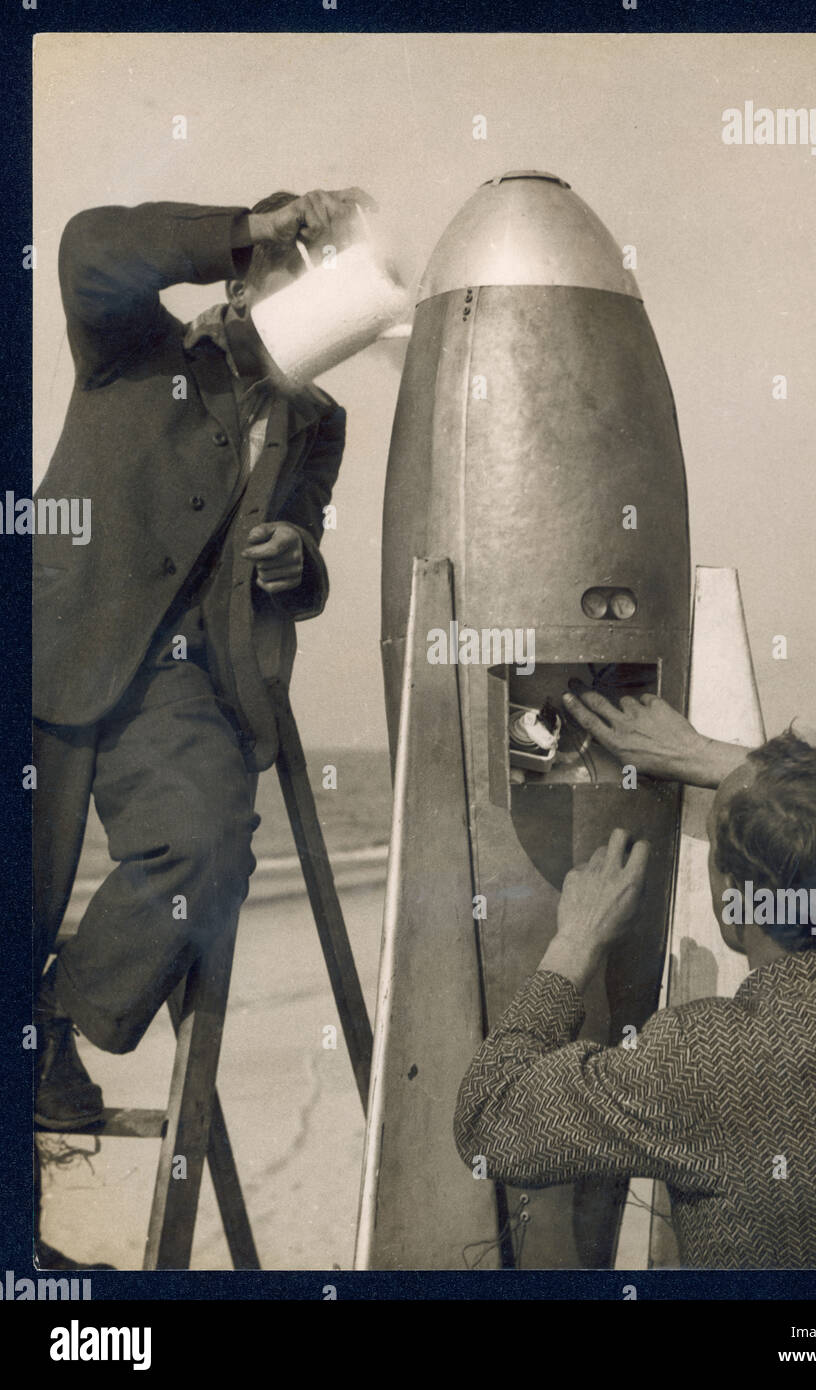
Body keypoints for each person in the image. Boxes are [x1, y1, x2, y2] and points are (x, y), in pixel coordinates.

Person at [32, 187, 371, 1254]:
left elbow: (306, 540)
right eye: (294, 278)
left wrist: (294, 561)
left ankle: (56, 1020)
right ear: (245, 280)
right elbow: (88, 247)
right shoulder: (136, 343)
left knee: (208, 843)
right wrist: (241, 223)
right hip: (48, 656)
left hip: (181, 689)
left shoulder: (320, 421)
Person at [455, 685, 816, 1269]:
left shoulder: (705, 1059)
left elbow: (491, 1121)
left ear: (734, 902)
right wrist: (733, 768)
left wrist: (573, 945)